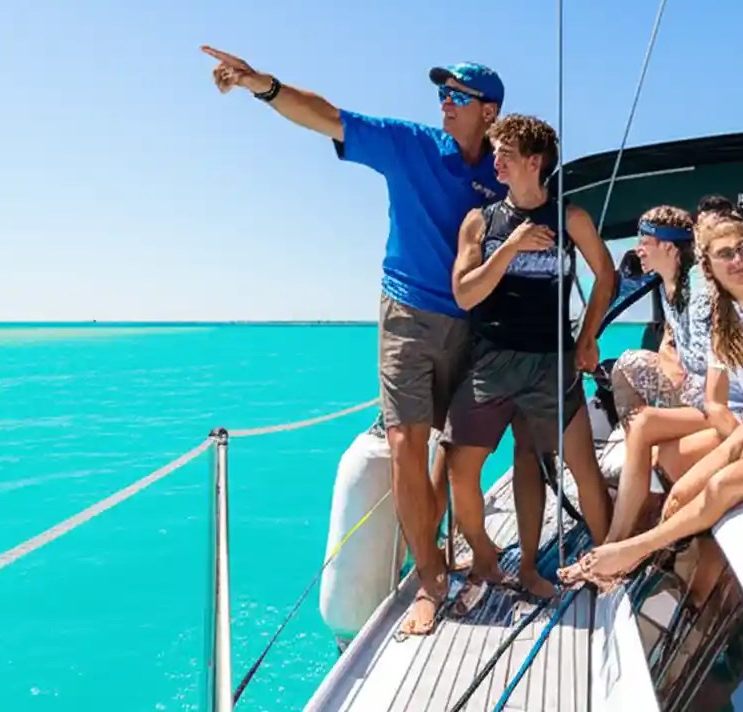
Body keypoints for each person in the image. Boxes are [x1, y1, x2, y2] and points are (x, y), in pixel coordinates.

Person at [203, 46, 530, 635]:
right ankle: (430, 580)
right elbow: (326, 116)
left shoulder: (503, 171)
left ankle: (444, 552)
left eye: (458, 97)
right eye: (442, 95)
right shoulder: (410, 144)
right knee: (407, 439)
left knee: (452, 449)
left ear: (490, 112)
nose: (445, 105)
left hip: (475, 325)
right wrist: (263, 85)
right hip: (407, 314)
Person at [557, 210, 743, 590]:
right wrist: (733, 435)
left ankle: (628, 555)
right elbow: (715, 402)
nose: (738, 260)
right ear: (708, 265)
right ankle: (638, 568)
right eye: (725, 254)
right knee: (682, 493)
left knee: (721, 487)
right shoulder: (724, 322)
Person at [445, 113, 616, 598]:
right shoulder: (481, 221)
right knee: (461, 471)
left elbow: (605, 273)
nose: (494, 159)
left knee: (576, 466)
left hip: (551, 362)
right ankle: (485, 556)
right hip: (491, 361)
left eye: (505, 153)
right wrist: (513, 246)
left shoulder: (569, 218)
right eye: (495, 151)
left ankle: (606, 569)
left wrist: (587, 337)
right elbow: (464, 294)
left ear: (535, 162)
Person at [603, 202, 743, 545]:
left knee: (645, 426)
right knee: (628, 364)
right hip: (700, 395)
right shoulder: (669, 286)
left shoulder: (698, 290)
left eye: (645, 241)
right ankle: (628, 520)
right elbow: (679, 353)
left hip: (727, 404)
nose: (638, 249)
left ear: (668, 247)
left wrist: (670, 419)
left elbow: (706, 371)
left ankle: (618, 539)